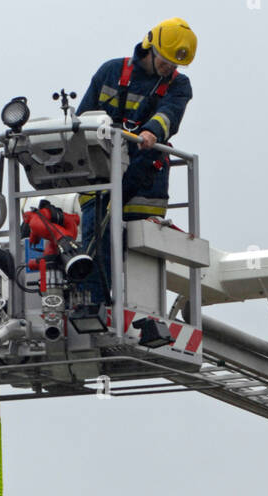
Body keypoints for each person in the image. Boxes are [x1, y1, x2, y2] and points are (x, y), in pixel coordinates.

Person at [76, 18, 197, 300]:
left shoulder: (180, 85)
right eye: (166, 62)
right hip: (100, 175)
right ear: (149, 48)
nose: (171, 69)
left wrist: (151, 131)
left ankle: (121, 309)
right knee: (97, 234)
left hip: (145, 183)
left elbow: (170, 115)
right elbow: (82, 121)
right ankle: (93, 304)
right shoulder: (110, 72)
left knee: (139, 254)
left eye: (175, 64)